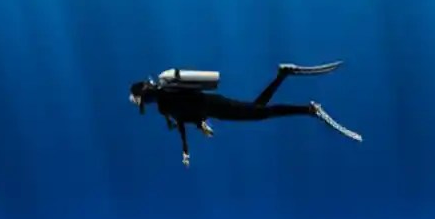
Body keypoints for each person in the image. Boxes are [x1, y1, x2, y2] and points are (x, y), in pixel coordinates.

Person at [129, 61, 362, 167]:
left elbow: (184, 118)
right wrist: (200, 126)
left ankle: (309, 109)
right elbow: (187, 113)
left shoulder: (164, 104)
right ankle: (284, 75)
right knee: (257, 110)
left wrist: (188, 147)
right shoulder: (166, 96)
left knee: (260, 113)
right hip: (215, 106)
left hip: (217, 108)